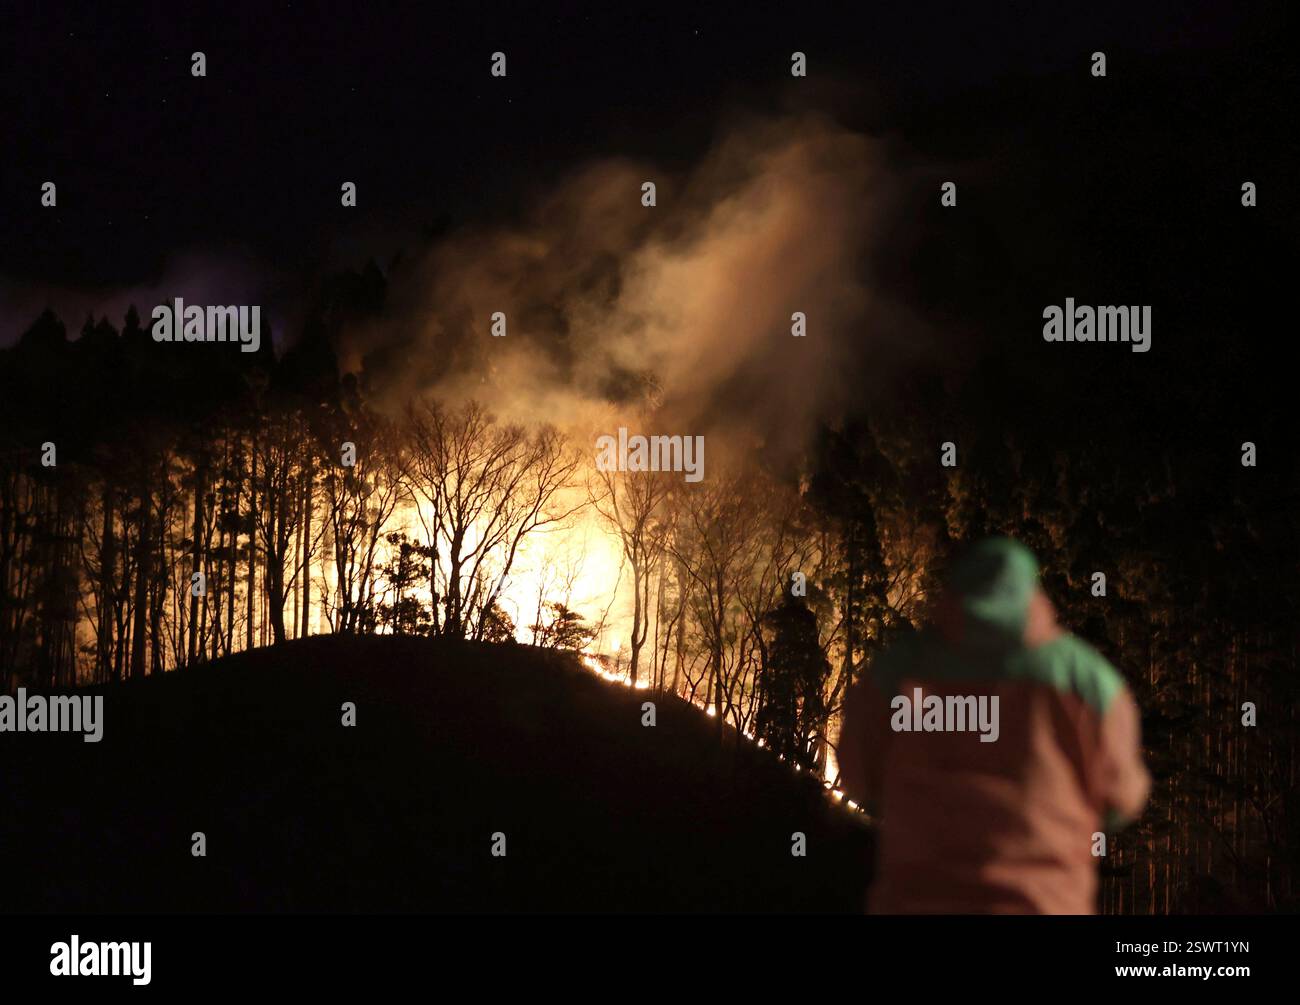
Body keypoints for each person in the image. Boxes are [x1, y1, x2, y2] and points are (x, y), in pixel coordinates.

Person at [837, 537, 1149, 913]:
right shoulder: (1086, 680)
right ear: (1033, 592)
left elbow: (858, 775)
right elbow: (1122, 796)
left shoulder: (897, 671)